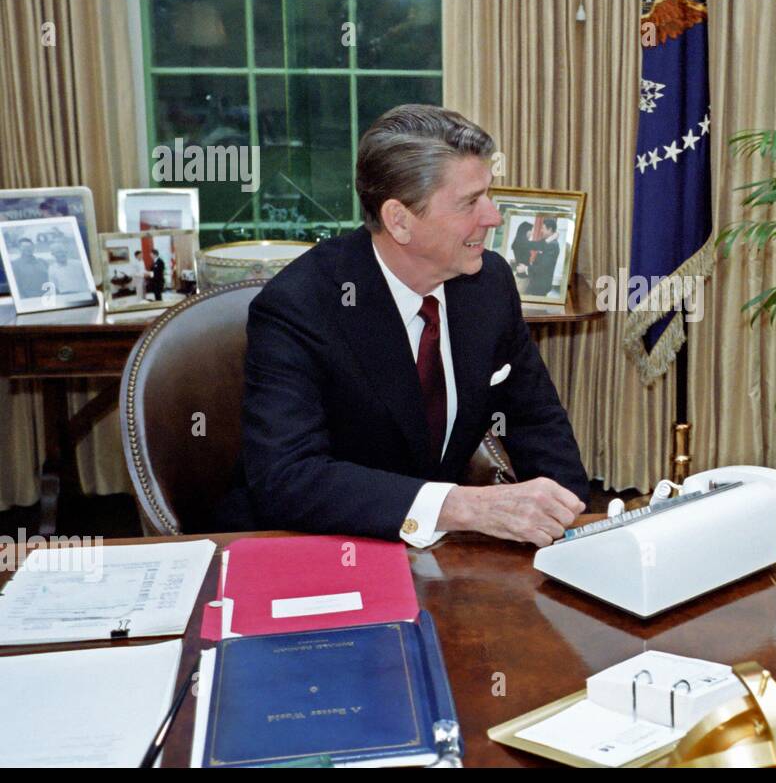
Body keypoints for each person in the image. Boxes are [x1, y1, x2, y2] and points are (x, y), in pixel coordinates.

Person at [218, 104, 589, 546]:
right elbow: (288, 478)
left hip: (440, 561)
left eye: (487, 194)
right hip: (315, 548)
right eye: (470, 202)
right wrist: (461, 506)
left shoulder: (489, 284)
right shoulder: (299, 307)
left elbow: (536, 421)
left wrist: (573, 530)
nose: (493, 216)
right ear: (399, 220)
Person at [523, 218, 561, 297]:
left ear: (550, 229)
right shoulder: (547, 242)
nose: (541, 230)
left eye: (543, 228)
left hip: (540, 285)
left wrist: (526, 268)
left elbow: (543, 268)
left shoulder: (552, 245)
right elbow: (536, 245)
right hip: (537, 282)